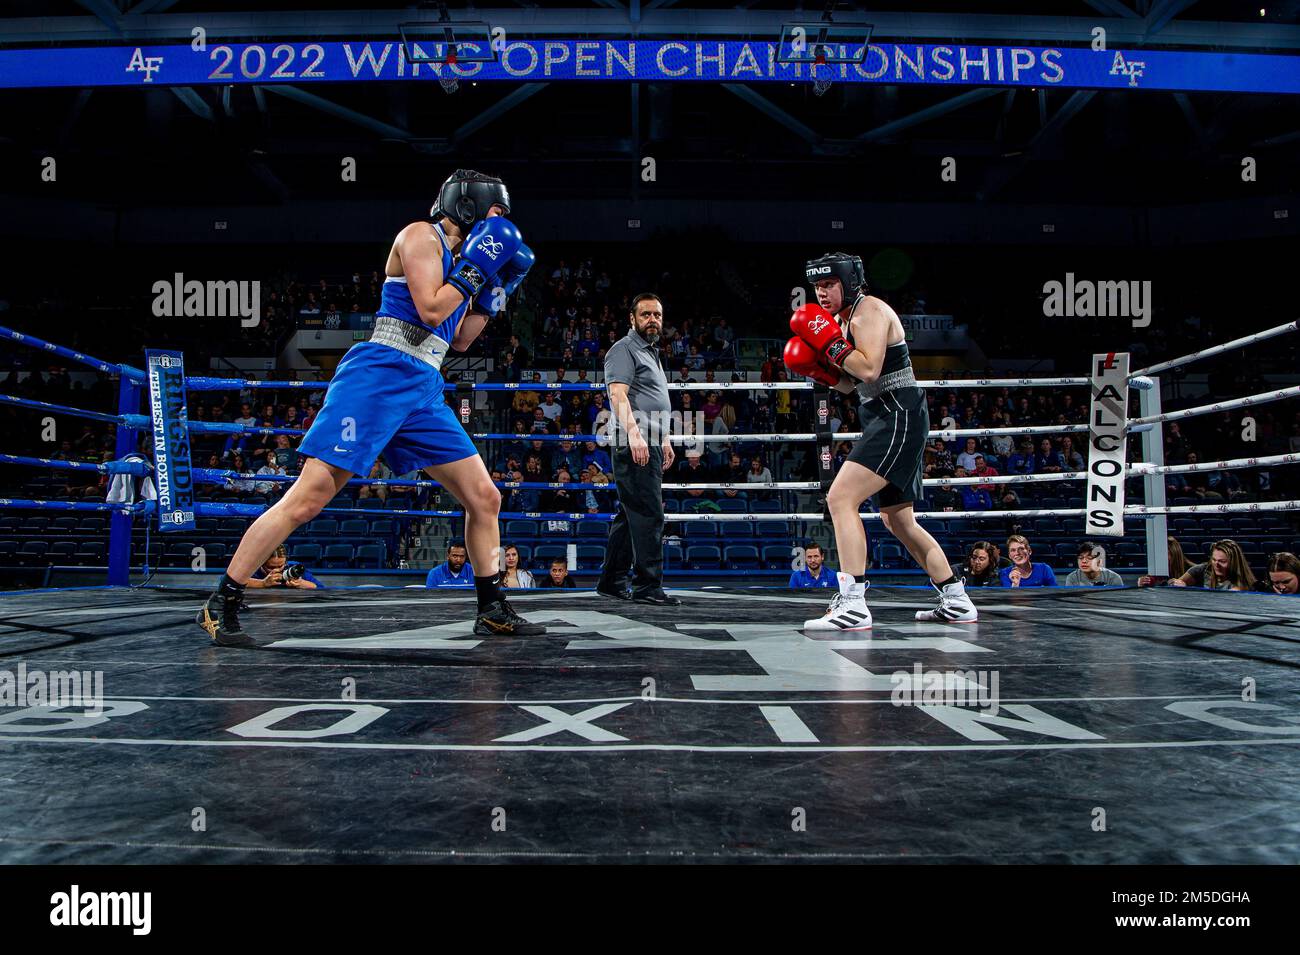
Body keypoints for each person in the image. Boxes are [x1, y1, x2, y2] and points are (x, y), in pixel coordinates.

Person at [199, 169, 544, 644]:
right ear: (467, 204)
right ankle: (224, 599)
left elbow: (460, 338)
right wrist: (478, 269)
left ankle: (492, 609)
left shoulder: (465, 260)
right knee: (310, 497)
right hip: (379, 375)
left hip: (424, 384)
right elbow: (429, 309)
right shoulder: (419, 236)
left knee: (485, 497)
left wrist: (495, 290)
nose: (499, 221)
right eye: (495, 211)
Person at [784, 252, 975, 629]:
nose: (821, 293)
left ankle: (853, 603)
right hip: (884, 414)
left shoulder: (868, 310)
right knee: (898, 520)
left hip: (898, 413)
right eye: (817, 287)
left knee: (840, 498)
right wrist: (816, 369)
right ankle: (956, 598)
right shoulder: (839, 321)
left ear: (848, 282)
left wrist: (829, 345)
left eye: (829, 285)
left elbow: (869, 367)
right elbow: (851, 384)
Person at [594, 293, 679, 606]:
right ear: (632, 319)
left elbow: (653, 400)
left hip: (650, 439)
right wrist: (634, 434)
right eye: (646, 315)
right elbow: (617, 395)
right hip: (635, 441)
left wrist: (665, 438)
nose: (653, 320)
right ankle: (647, 587)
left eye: (657, 315)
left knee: (631, 515)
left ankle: (611, 582)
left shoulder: (651, 351)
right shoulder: (624, 349)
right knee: (650, 514)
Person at [1171, 539, 1256, 591]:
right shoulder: (1203, 569)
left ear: (1234, 563)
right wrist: (1177, 584)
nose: (1216, 565)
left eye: (1222, 561)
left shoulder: (1243, 584)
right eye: (1214, 560)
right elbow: (1172, 583)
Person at [248, 545, 322, 590]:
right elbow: (237, 583)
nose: (276, 570)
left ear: (286, 561)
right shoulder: (251, 570)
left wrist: (301, 583)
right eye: (271, 567)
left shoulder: (294, 568)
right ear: (260, 563)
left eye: (280, 566)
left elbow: (321, 588)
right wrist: (263, 583)